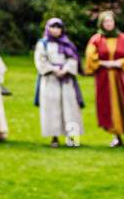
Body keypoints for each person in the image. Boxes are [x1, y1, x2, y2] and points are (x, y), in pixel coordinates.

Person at [84, 10, 124, 147]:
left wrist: (122, 63)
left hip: (123, 78)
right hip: (105, 79)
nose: (109, 24)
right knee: (109, 105)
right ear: (101, 23)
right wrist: (105, 63)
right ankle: (116, 136)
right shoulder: (96, 40)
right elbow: (91, 60)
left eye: (111, 21)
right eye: (106, 22)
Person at [33, 18, 85, 148]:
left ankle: (72, 138)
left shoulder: (67, 43)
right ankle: (54, 137)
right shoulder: (43, 44)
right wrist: (53, 69)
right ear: (48, 29)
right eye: (53, 27)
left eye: (58, 27)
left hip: (67, 80)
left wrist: (66, 69)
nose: (55, 30)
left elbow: (73, 59)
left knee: (71, 109)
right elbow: (40, 60)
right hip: (50, 79)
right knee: (52, 109)